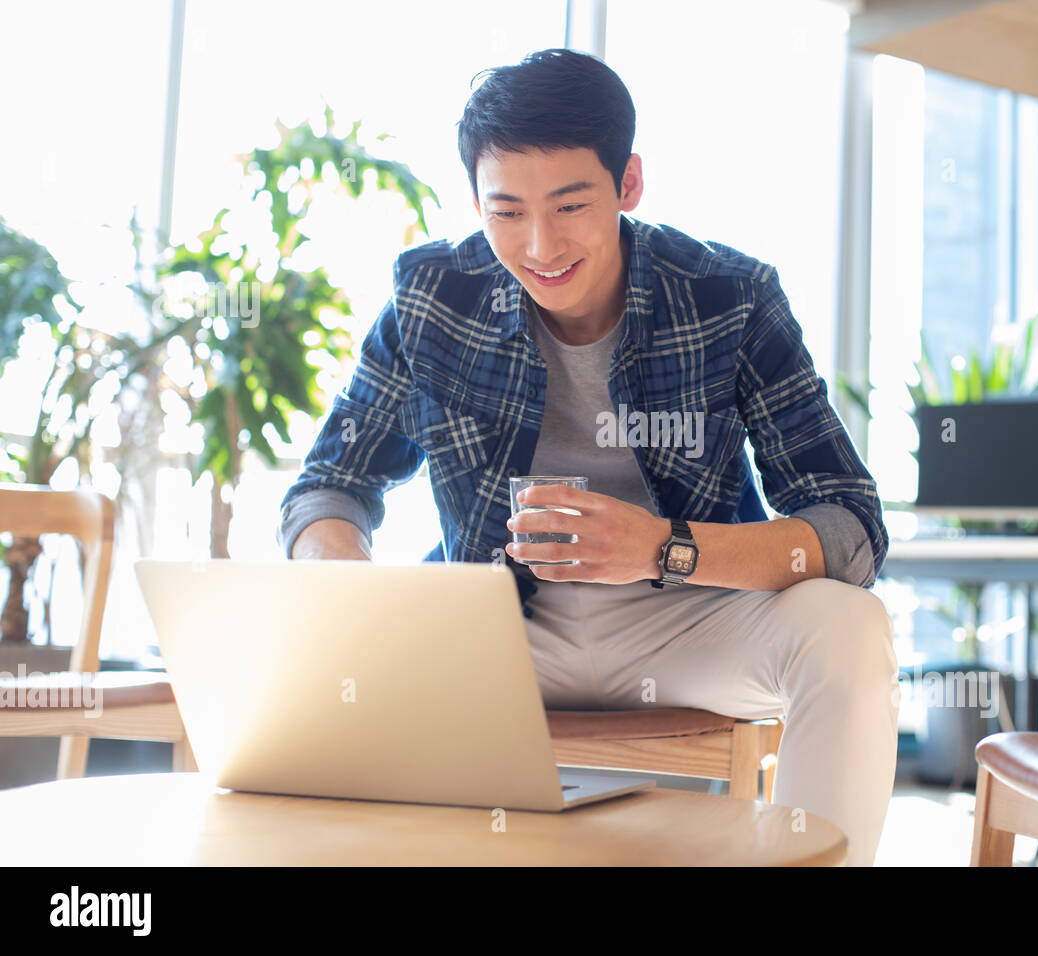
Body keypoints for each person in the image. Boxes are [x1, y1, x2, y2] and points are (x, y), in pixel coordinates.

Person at [277, 48, 899, 866]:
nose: (540, 245)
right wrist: (349, 590)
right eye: (506, 212)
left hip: (688, 619)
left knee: (851, 627)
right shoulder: (432, 295)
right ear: (475, 201)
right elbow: (329, 486)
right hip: (499, 628)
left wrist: (662, 547)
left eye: (570, 205)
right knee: (310, 674)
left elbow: (850, 525)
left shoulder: (729, 295)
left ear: (628, 184)